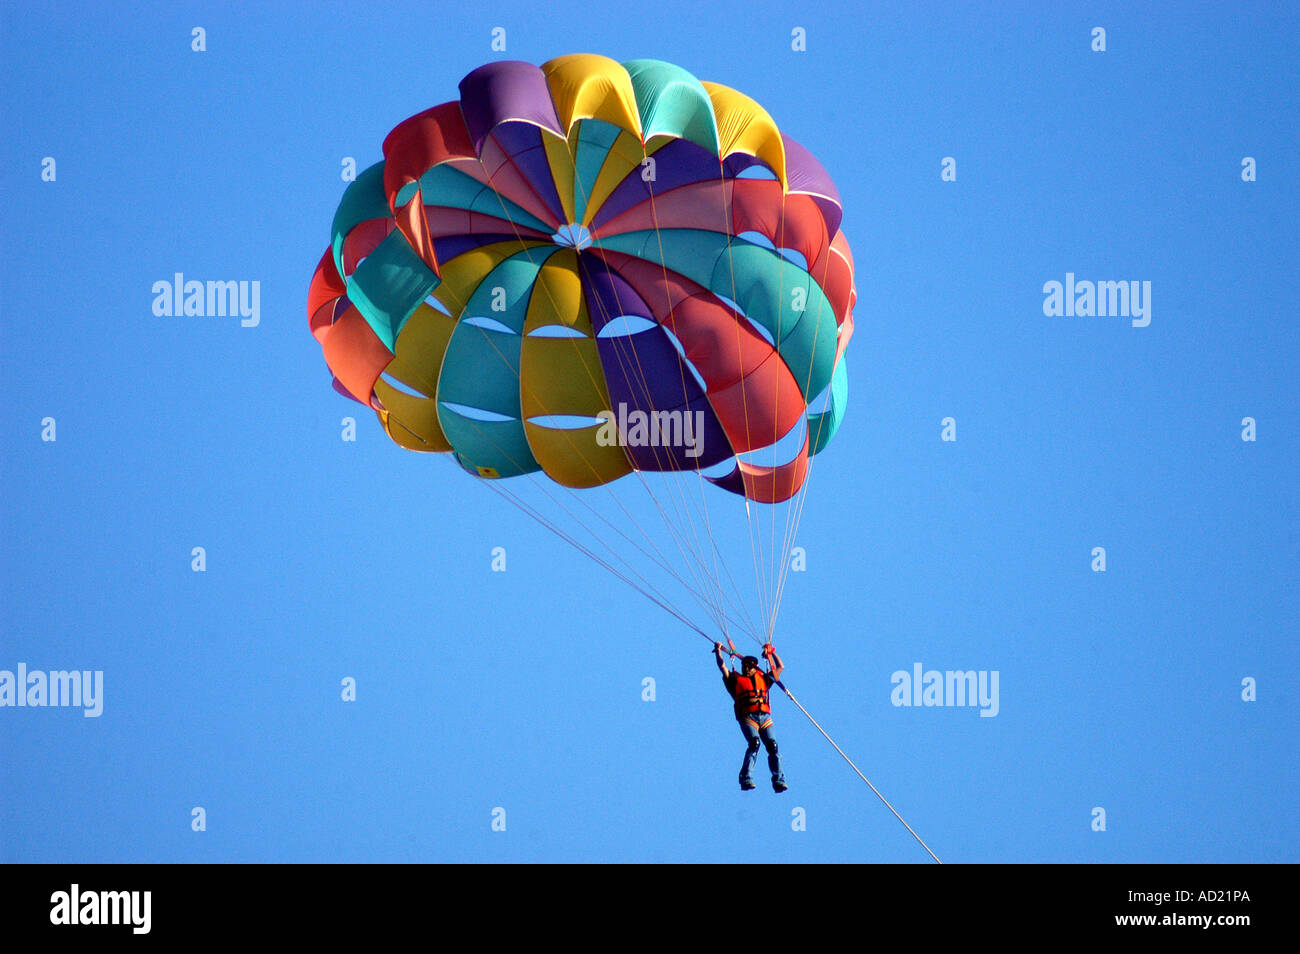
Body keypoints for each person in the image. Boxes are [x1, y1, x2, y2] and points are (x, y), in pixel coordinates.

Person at [715, 641, 788, 792]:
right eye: (744, 667)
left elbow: (780, 666)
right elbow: (722, 667)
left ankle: (778, 780)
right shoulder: (735, 680)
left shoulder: (765, 679)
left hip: (764, 717)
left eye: (749, 667)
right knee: (754, 743)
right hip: (748, 717)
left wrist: (771, 652)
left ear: (755, 668)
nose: (745, 669)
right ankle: (746, 778)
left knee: (773, 746)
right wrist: (718, 651)